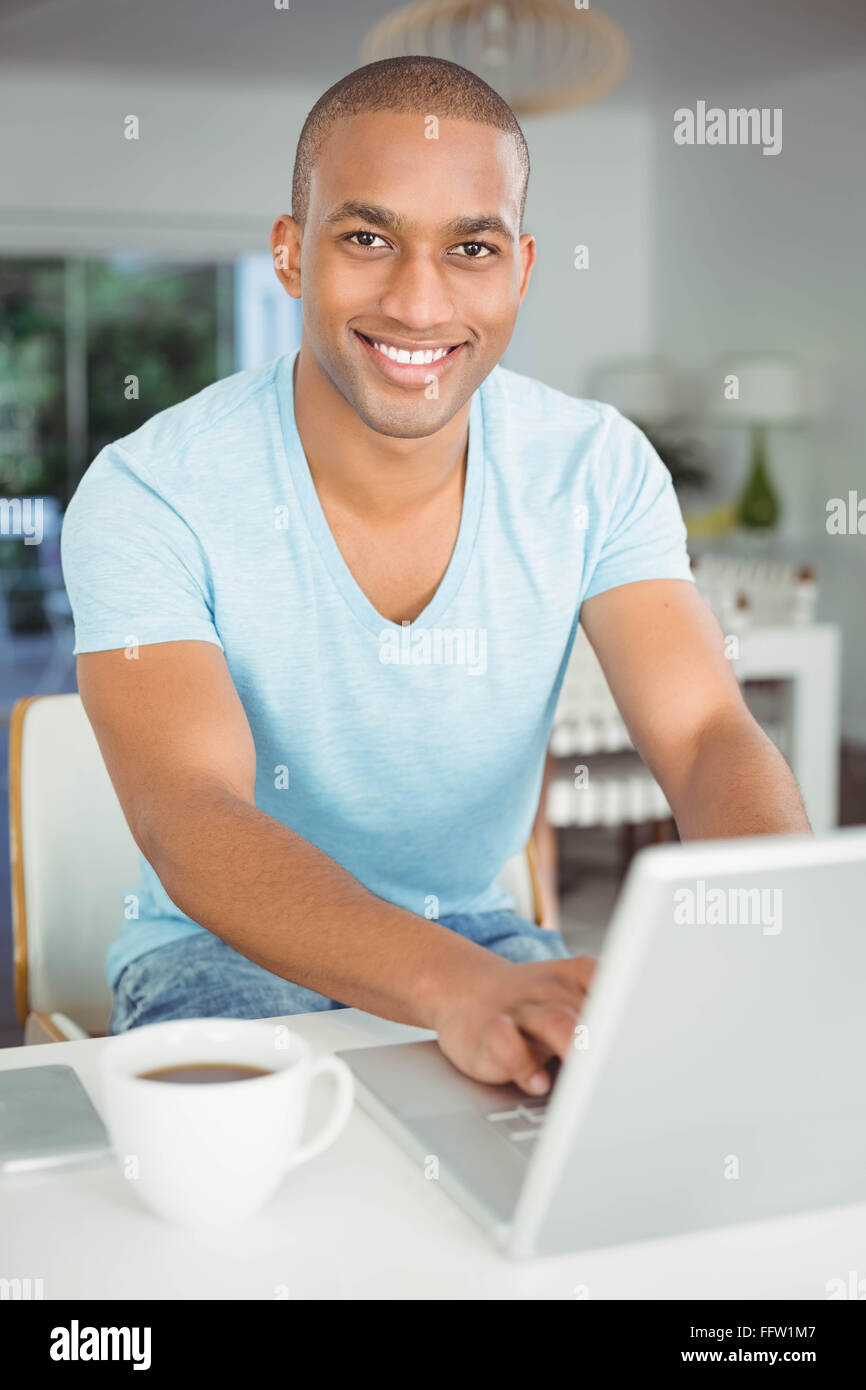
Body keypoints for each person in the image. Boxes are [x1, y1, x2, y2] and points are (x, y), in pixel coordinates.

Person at [61, 56, 809, 1095]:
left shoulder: (593, 466)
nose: (418, 302)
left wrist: (780, 925)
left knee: (649, 1138)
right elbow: (191, 811)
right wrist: (455, 988)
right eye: (367, 238)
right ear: (288, 253)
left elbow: (700, 734)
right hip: (220, 953)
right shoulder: (151, 489)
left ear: (520, 268)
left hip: (476, 932)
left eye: (469, 247)